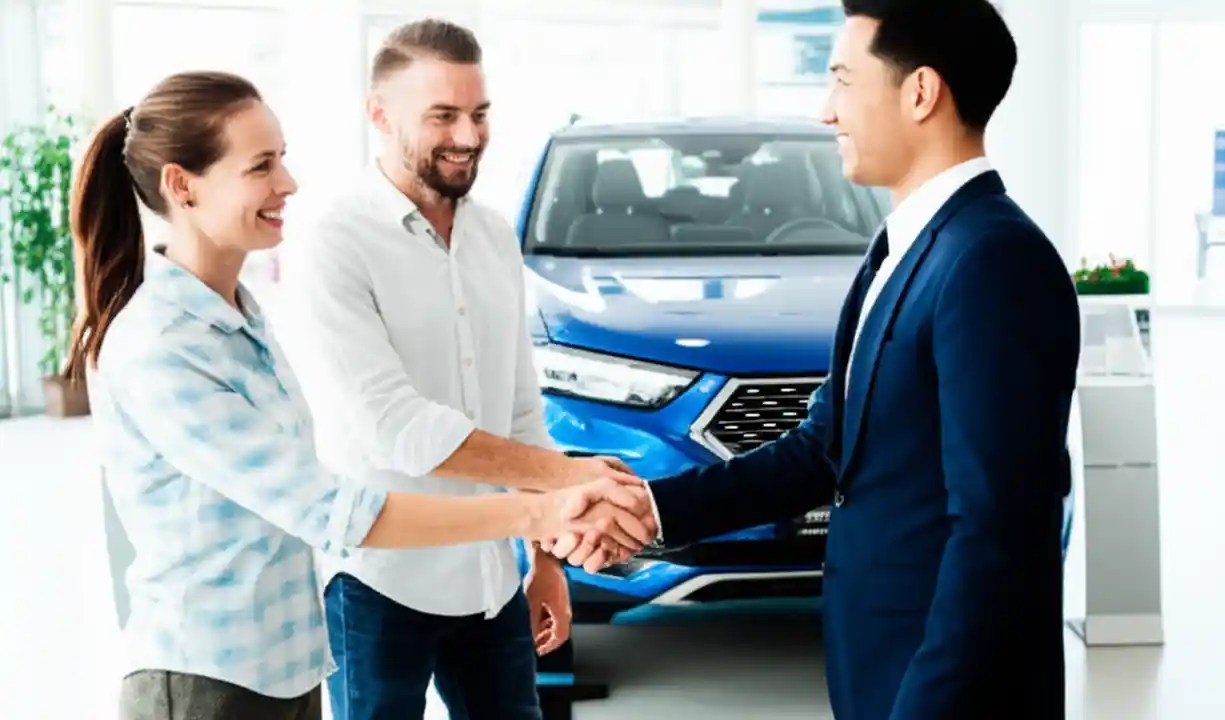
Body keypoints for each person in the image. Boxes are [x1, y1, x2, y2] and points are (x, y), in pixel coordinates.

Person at [548, 2, 1081, 718]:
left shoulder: (994, 260)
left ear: (919, 93)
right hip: (880, 665)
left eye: (841, 80)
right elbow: (824, 449)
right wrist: (651, 506)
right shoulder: (901, 250)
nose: (827, 112)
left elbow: (998, 533)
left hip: (943, 690)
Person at [68, 70, 651, 720]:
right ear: (183, 186)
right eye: (261, 166)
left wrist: (546, 532)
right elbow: (330, 509)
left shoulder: (244, 320)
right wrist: (540, 513)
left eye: (282, 158)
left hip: (286, 668)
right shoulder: (162, 345)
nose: (287, 183)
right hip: (206, 680)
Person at [273, 18, 654, 720]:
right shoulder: (332, 244)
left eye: (479, 114)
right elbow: (396, 429)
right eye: (442, 115)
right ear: (379, 116)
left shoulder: (492, 236)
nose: (469, 136)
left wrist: (546, 560)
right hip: (376, 584)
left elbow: (518, 412)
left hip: (489, 581)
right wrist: (574, 481)